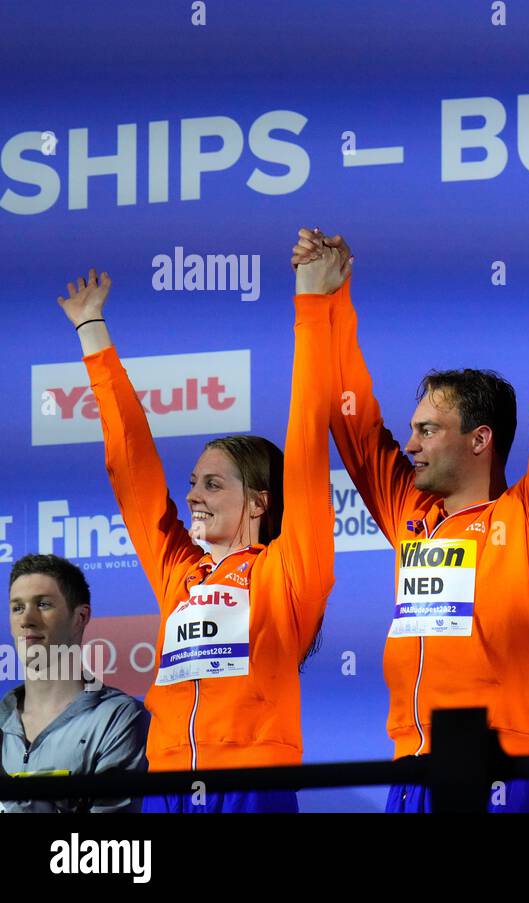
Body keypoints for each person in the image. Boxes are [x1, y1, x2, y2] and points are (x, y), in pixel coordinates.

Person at [290, 194, 529, 813]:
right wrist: (331, 298)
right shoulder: (413, 517)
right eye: (412, 430)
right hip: (411, 767)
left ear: (480, 440)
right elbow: (352, 420)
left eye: (427, 431)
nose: (408, 445)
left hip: (501, 767)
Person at [55, 238, 337, 813]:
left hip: (251, 781)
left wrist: (312, 304)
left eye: (213, 484)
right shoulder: (180, 572)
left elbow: (307, 438)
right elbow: (131, 468)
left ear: (259, 501)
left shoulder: (286, 573)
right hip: (165, 783)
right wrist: (92, 333)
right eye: (193, 483)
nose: (192, 497)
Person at [2, 553, 148, 813]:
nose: (26, 620)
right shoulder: (2, 720)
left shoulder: (118, 718)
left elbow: (106, 849)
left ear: (80, 617)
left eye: (43, 604)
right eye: (17, 608)